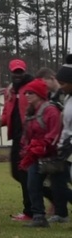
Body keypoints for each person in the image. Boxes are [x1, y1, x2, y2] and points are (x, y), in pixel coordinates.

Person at [19, 78, 63, 228]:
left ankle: (58, 213)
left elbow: (55, 133)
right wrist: (26, 147)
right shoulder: (31, 111)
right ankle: (39, 216)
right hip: (36, 155)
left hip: (52, 155)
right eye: (26, 93)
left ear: (39, 94)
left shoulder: (50, 110)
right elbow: (27, 134)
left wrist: (42, 146)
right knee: (32, 184)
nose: (27, 95)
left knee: (61, 188)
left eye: (31, 92)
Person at [1, 58, 33, 221]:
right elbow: (7, 113)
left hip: (29, 137)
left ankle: (30, 211)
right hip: (16, 137)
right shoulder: (11, 91)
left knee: (25, 173)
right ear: (11, 73)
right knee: (17, 173)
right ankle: (53, 198)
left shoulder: (32, 88)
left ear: (24, 71)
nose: (18, 74)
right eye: (15, 72)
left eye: (20, 71)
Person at [53, 63, 72, 223]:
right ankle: (61, 213)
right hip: (66, 147)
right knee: (58, 181)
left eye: (64, 83)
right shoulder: (67, 98)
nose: (61, 87)